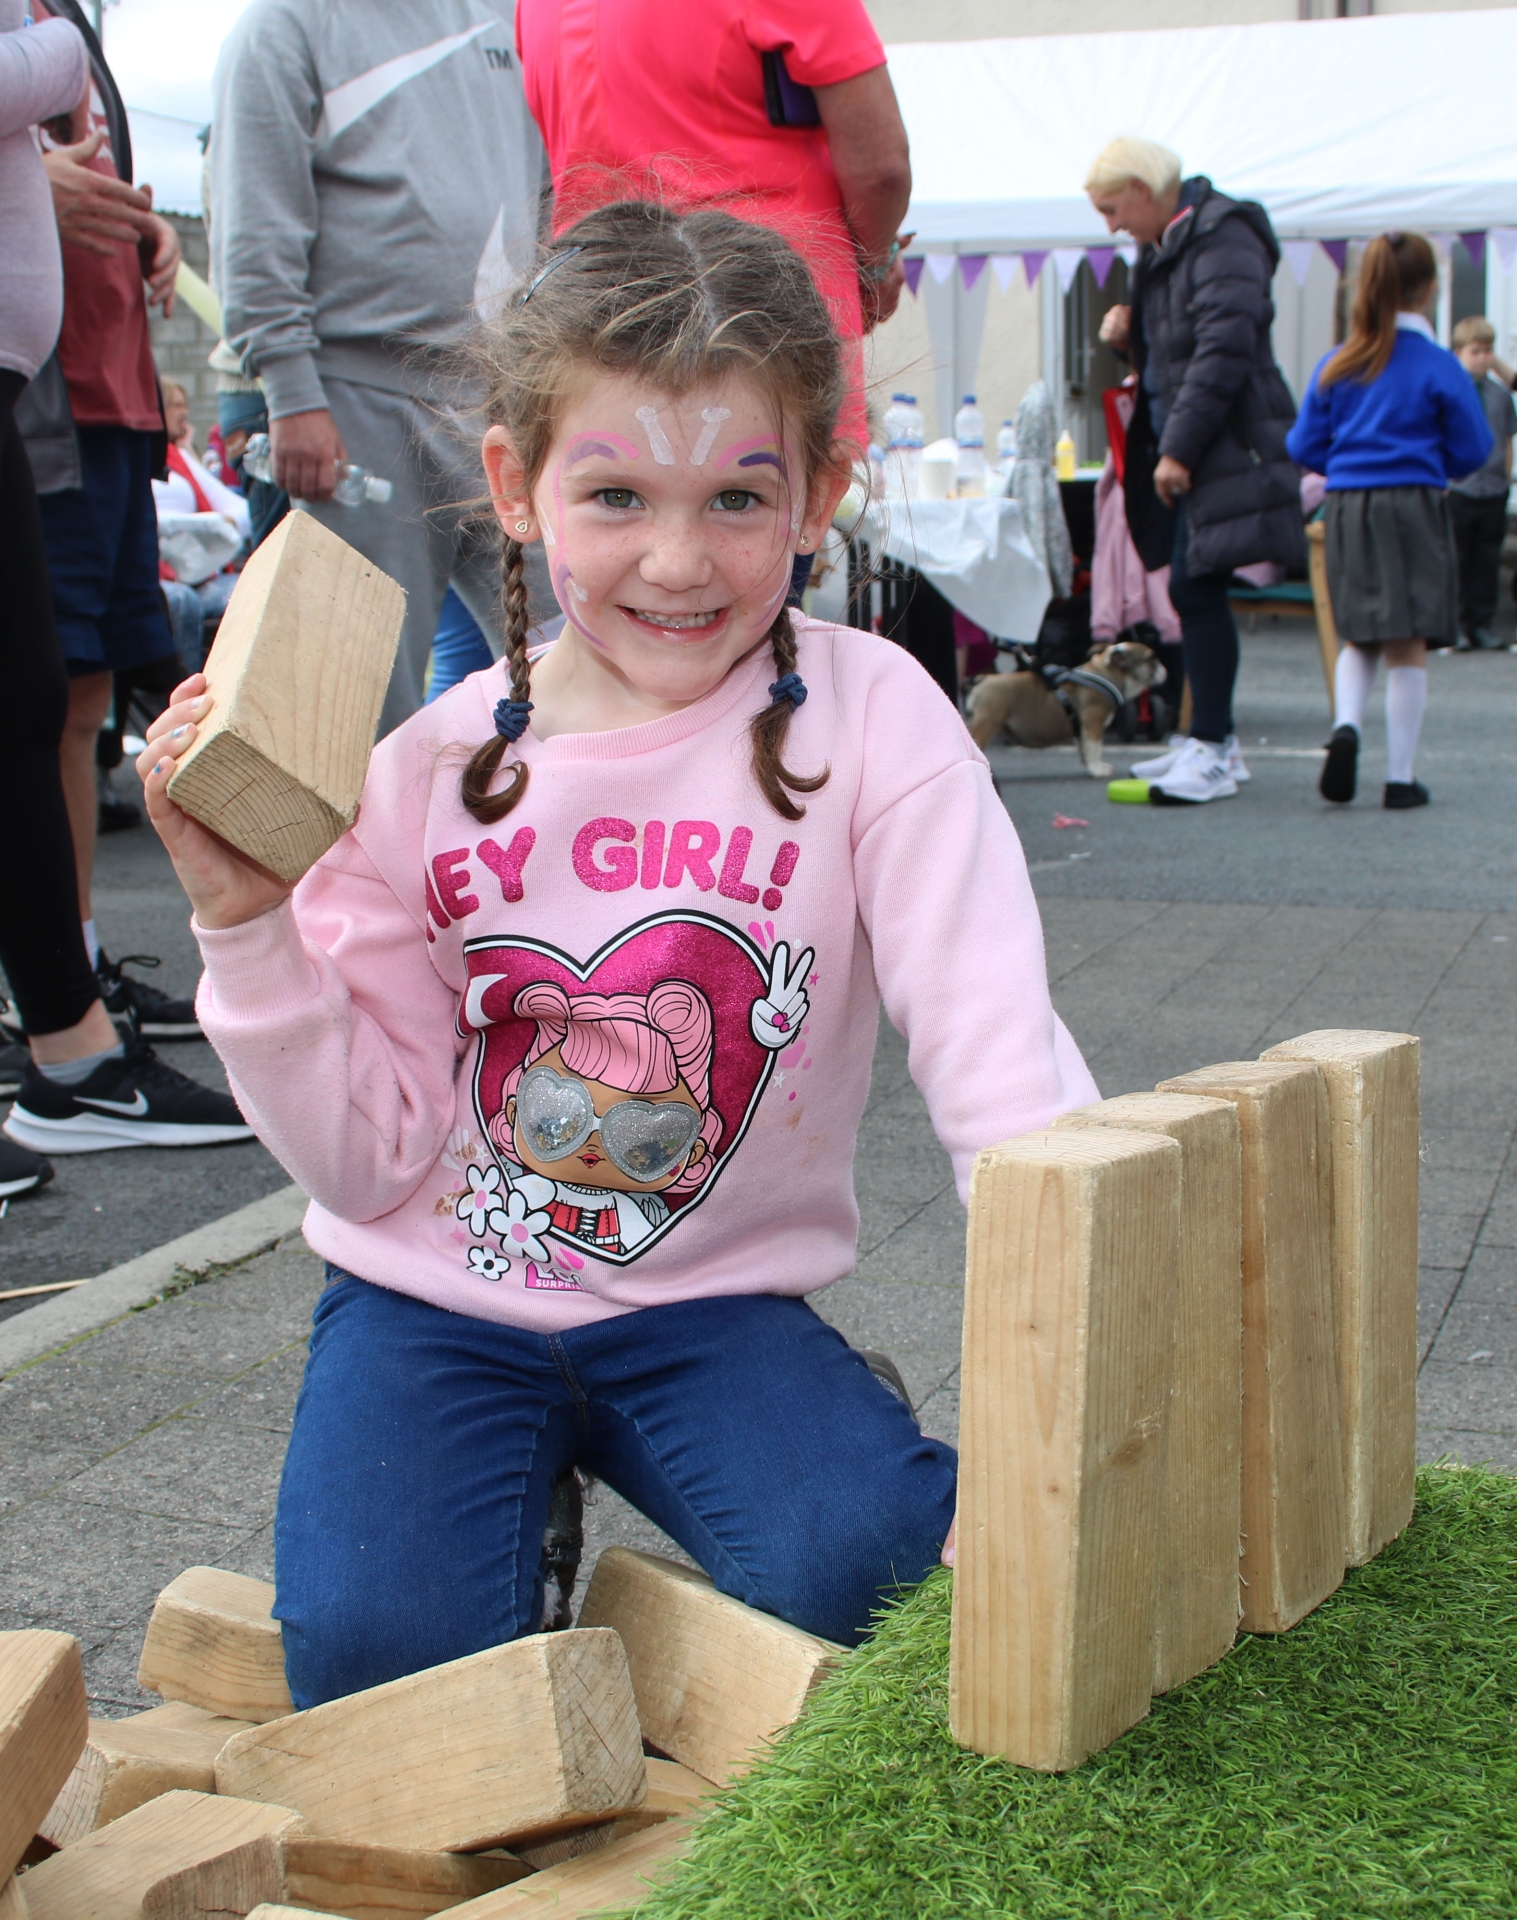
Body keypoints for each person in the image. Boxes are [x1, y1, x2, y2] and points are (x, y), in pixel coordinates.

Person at [136, 204, 1097, 1703]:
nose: (675, 559)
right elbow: (366, 1162)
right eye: (616, 496)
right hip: (433, 1300)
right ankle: (516, 1538)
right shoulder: (418, 775)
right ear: (517, 487)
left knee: (890, 1589)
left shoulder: (878, 721)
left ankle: (818, 1449)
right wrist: (245, 923)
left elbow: (1000, 1067)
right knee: (385, 1667)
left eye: (734, 497)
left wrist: (1053, 1406)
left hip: (707, 1306)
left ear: (818, 492)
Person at [0, 0, 248, 1172]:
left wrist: (135, 231)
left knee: (75, 697)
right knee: (42, 701)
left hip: (92, 386)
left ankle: (72, 990)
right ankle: (61, 1028)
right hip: (46, 399)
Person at [209, 0, 553, 733]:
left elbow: (544, 200)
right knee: (361, 706)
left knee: (573, 654)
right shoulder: (286, 25)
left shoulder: (509, 15)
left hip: (503, 393)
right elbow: (254, 221)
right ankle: (361, 853)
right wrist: (292, 390)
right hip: (357, 402)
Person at [515, 0, 912, 536]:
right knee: (758, 578)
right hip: (763, 334)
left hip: (595, 341)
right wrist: (876, 264)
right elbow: (882, 168)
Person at [1087, 136, 1303, 805]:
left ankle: (1210, 747)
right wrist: (1135, 336)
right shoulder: (1171, 246)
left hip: (1223, 444)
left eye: (1113, 206)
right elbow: (1189, 345)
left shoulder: (1219, 235)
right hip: (1205, 441)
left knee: (1196, 584)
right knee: (1192, 585)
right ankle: (1215, 741)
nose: (1111, 223)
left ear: (1146, 190)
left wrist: (1176, 448)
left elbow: (1221, 348)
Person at [1287, 233, 1492, 811]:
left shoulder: (1339, 362)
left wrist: (1348, 465)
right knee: (1409, 643)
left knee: (1362, 633)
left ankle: (1347, 724)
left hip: (1349, 504)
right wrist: (1431, 463)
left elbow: (1303, 443)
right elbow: (1475, 447)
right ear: (1429, 289)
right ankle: (1400, 778)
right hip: (1415, 504)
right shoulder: (1439, 364)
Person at [153, 376, 250, 662]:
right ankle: (184, 696)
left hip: (198, 570)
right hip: (156, 573)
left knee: (247, 591)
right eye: (175, 405)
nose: (184, 413)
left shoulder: (179, 457)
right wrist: (204, 526)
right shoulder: (127, 457)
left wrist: (212, 524)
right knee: (181, 602)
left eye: (185, 404)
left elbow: (243, 513)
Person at [1446, 315, 1515, 651]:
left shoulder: (1500, 395)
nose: (1484, 357)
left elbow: (1507, 439)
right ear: (1458, 352)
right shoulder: (1451, 391)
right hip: (1459, 487)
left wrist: (1505, 477)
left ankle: (1482, 624)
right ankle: (1456, 625)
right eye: (1476, 351)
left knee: (1487, 560)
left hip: (1493, 487)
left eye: (1488, 351)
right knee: (1457, 558)